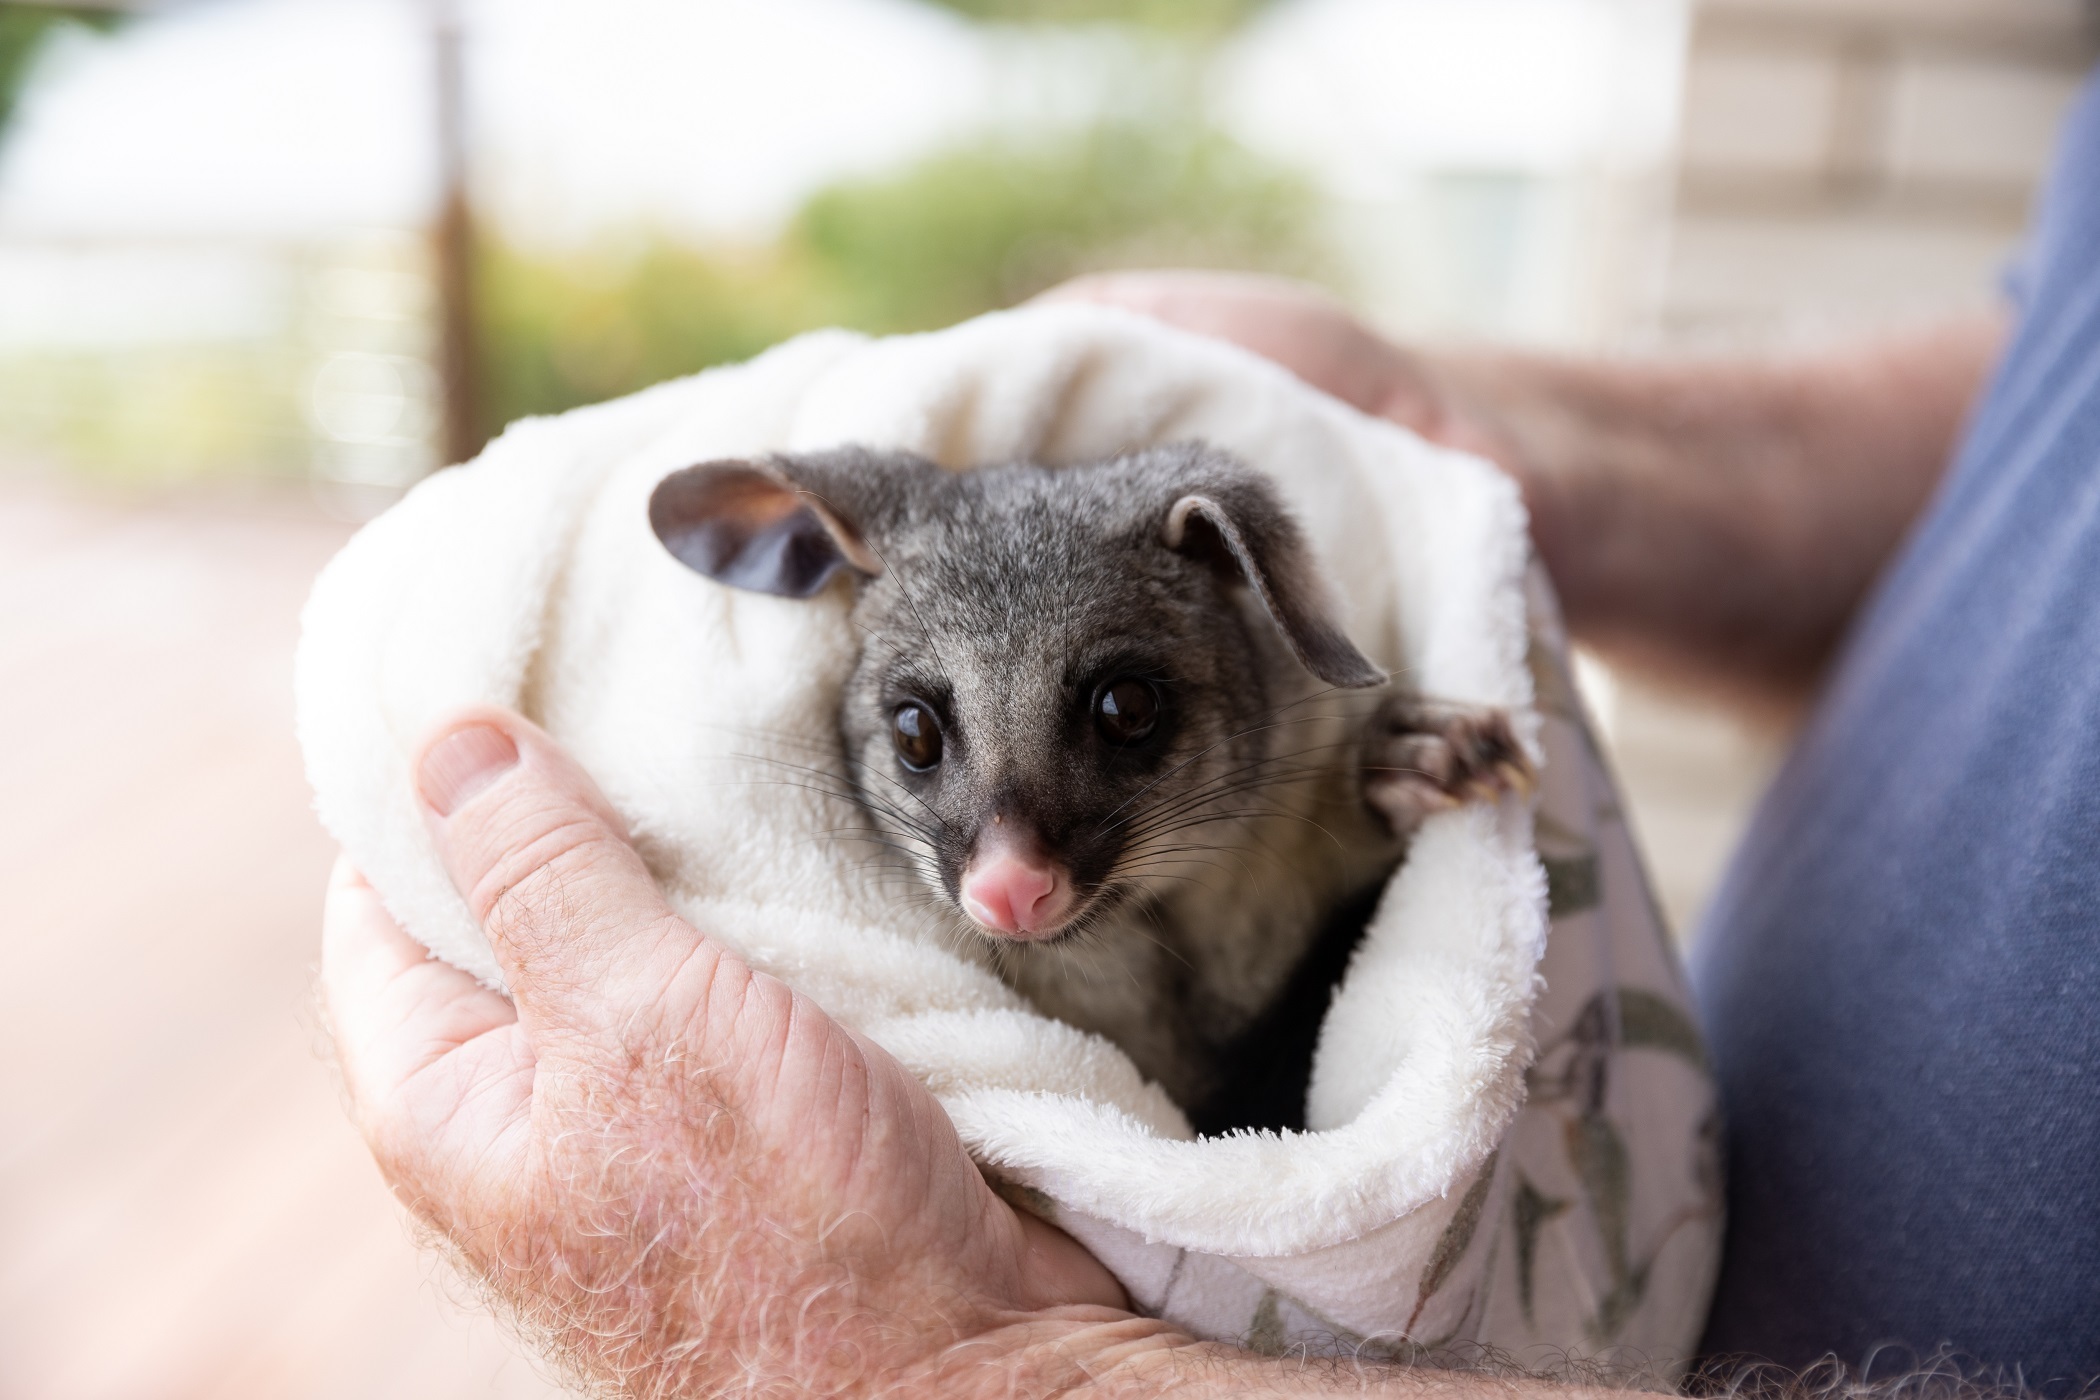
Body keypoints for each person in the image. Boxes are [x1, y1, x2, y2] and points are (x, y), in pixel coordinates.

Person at [322, 73, 2100, 1399]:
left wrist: (1002, 1375)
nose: (1007, 876)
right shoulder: (874, 649)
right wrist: (1487, 437)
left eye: (1116, 713)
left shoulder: (1271, 685)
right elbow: (2045, 405)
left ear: (1233, 586)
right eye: (927, 740)